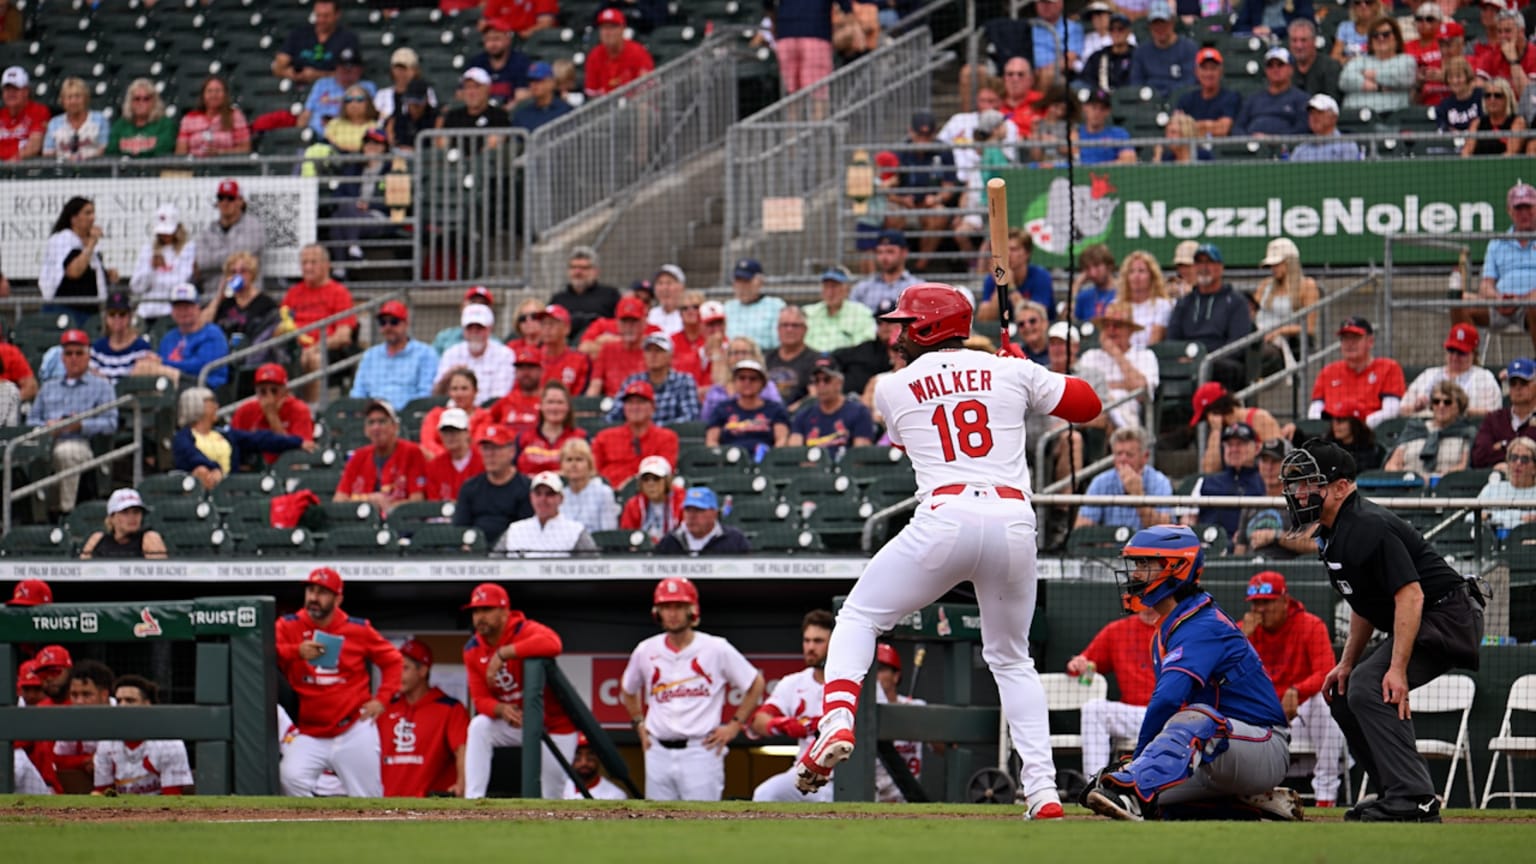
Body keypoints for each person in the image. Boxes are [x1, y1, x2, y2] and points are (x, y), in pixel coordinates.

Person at [795, 283, 1101, 819]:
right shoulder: (1009, 369)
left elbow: (909, 439)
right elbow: (1088, 405)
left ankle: (837, 719)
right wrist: (1024, 368)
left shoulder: (891, 387)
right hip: (1012, 522)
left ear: (929, 328)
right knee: (1013, 660)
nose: (896, 335)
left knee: (860, 616)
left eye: (905, 325)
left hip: (946, 518)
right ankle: (1043, 792)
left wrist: (1005, 373)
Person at [1282, 440, 1485, 822]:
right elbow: (1364, 604)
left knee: (1370, 685)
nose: (1300, 492)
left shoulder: (1367, 525)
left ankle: (1415, 798)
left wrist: (1397, 669)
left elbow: (1410, 595)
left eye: (1309, 483)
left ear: (1340, 487)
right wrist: (1346, 663)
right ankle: (1394, 793)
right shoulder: (1334, 532)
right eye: (1297, 484)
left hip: (1447, 617)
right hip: (1425, 617)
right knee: (1344, 691)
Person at [1082, 526, 1298, 822]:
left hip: (1263, 744)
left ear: (1176, 568)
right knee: (1154, 802)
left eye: (1144, 563)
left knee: (1190, 722)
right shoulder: (1168, 628)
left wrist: (1139, 763)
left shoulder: (1202, 624)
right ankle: (1258, 803)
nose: (1135, 573)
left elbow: (1168, 700)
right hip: (1219, 750)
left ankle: (1135, 788)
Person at [621, 578, 765, 801]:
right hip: (657, 750)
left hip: (701, 750)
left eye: (679, 606)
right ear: (657, 611)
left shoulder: (716, 647)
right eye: (666, 607)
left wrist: (735, 725)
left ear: (692, 610)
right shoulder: (646, 649)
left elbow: (755, 683)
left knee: (702, 818)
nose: (672, 613)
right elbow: (628, 689)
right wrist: (639, 723)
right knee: (657, 818)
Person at [275, 568, 401, 797]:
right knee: (291, 777)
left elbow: (393, 661)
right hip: (310, 731)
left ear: (338, 599)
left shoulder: (358, 629)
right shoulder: (288, 625)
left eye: (323, 592)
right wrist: (296, 651)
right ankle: (314, 820)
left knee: (368, 796)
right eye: (311, 590)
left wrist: (382, 699)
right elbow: (265, 654)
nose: (314, 597)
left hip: (353, 727)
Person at [461, 582, 579, 798]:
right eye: (475, 611)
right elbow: (480, 698)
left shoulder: (523, 629)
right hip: (518, 722)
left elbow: (553, 643)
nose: (480, 617)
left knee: (551, 795)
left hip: (554, 725)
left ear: (505, 611)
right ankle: (473, 799)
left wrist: (503, 653)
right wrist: (500, 709)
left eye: (487, 609)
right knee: (479, 726)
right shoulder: (472, 649)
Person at [1240, 570, 1347, 808]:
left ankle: (1326, 796)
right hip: (1260, 722)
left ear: (1285, 601)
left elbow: (1325, 672)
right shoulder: (1241, 634)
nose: (1260, 610)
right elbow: (1222, 673)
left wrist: (1297, 690)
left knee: (1323, 703)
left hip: (1301, 720)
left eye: (1267, 602)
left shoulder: (1310, 625)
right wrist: (1242, 639)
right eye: (1255, 603)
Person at [1064, 605, 1160, 781]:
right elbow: (1088, 669)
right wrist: (1078, 666)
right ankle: (1095, 784)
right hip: (1135, 716)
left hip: (1174, 716)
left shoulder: (1178, 628)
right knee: (1093, 709)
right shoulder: (1117, 631)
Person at [750, 610, 836, 802]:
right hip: (805, 775)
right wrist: (783, 724)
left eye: (818, 641)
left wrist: (817, 724)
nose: (810, 647)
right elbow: (759, 721)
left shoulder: (854, 682)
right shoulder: (794, 682)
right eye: (807, 641)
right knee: (766, 794)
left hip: (848, 777)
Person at [29, 329, 117, 515]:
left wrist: (81, 425)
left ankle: (66, 512)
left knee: (67, 452)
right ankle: (36, 514)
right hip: (48, 441)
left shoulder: (102, 386)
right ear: (62, 357)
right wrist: (47, 427)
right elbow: (31, 421)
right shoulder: (48, 387)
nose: (73, 358)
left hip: (82, 442)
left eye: (79, 353)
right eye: (69, 353)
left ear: (88, 356)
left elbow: (111, 422)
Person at [378, 639, 469, 798]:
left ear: (423, 671)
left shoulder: (450, 708)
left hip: (430, 804)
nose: (397, 674)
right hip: (385, 802)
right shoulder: (385, 709)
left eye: (405, 668)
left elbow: (463, 750)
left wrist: (462, 784)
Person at [173, 386, 308, 487]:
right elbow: (192, 455)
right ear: (196, 405)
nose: (216, 406)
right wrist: (213, 467)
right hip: (197, 486)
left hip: (230, 486)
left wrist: (297, 442)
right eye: (211, 402)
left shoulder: (225, 434)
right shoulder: (183, 437)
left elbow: (259, 439)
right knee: (201, 471)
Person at [1458, 180, 1536, 351]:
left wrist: (1521, 300)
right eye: (1519, 208)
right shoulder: (1497, 243)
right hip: (1500, 305)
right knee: (1460, 301)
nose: (1524, 213)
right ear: (1510, 211)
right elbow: (1486, 284)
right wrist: (1498, 298)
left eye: (1528, 208)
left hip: (1531, 305)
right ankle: (1469, 360)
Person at [1166, 243, 1252, 392]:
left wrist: (1203, 358)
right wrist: (1184, 356)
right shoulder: (1184, 303)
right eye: (1199, 263)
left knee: (1226, 368)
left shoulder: (1236, 302)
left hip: (1220, 363)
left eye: (1209, 262)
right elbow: (1172, 339)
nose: (1203, 267)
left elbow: (1237, 345)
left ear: (1220, 267)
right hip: (1187, 360)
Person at [91, 675, 194, 795]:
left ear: (147, 704)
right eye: (119, 701)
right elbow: (103, 792)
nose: (122, 706)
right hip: (119, 806)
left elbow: (172, 797)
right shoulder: (106, 742)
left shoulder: (170, 743)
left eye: (130, 701)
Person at [282, 245, 358, 401]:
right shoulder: (293, 293)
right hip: (293, 348)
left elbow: (343, 335)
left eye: (313, 262)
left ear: (327, 265)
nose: (308, 267)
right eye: (304, 263)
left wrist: (315, 347)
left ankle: (313, 408)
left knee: (313, 358)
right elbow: (282, 324)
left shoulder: (339, 293)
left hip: (327, 350)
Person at [1307, 316, 1405, 428]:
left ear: (1370, 341)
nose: (1349, 343)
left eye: (1355, 338)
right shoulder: (1328, 371)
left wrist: (1357, 428)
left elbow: (1391, 410)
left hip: (1371, 432)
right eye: (1345, 339)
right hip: (1332, 433)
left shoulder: (1388, 368)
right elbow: (1314, 412)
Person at [335, 400, 428, 517]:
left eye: (382, 421)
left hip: (400, 521)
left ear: (395, 427)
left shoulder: (411, 452)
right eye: (371, 422)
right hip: (363, 521)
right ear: (366, 430)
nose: (376, 427)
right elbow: (339, 499)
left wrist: (388, 506)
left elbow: (417, 501)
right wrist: (368, 501)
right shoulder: (359, 456)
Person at [1077, 302, 1158, 430]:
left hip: (1126, 416)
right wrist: (1123, 385)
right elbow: (1081, 392)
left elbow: (1142, 393)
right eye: (1106, 325)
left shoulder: (1145, 355)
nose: (1111, 330)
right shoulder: (1090, 356)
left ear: (1130, 330)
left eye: (1117, 325)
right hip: (1093, 415)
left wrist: (1115, 353)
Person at [1233, 438, 1319, 558]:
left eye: (1275, 461)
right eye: (1264, 461)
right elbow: (1239, 552)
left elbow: (1315, 544)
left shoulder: (1302, 500)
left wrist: (1276, 536)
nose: (1269, 467)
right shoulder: (1251, 504)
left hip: (1288, 568)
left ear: (1290, 466)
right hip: (1252, 567)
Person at [132, 284, 229, 389]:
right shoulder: (169, 337)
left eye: (187, 307)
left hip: (206, 386)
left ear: (198, 308)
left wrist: (162, 364)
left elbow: (201, 366)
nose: (183, 312)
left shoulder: (212, 333)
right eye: (178, 307)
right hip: (172, 385)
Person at [1074, 427, 1173, 530]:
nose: (1123, 460)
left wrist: (1138, 496)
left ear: (1145, 457)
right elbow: (1081, 530)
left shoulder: (1160, 482)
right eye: (1119, 454)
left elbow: (1163, 531)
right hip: (1111, 540)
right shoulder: (1100, 482)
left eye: (1129, 455)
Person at [351, 301, 441, 409]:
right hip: (372, 413)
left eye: (394, 322)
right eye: (383, 322)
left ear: (406, 324)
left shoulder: (425, 353)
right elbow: (358, 392)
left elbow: (425, 394)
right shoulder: (370, 356)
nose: (388, 327)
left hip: (408, 414)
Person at [592, 381, 681, 487]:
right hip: (610, 492)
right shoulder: (605, 437)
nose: (635, 407)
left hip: (650, 492)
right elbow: (593, 472)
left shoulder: (667, 438)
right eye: (630, 402)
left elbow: (665, 474)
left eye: (640, 402)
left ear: (653, 407)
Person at [453, 424, 534, 541]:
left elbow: (526, 531)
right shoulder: (470, 487)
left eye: (496, 448)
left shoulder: (526, 488)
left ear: (511, 451)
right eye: (486, 448)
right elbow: (460, 528)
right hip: (475, 548)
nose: (490, 454)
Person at [1402, 325, 1501, 417]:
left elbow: (1495, 415)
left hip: (1468, 428)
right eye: (1451, 350)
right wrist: (1416, 408)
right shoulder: (1428, 375)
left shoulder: (1485, 378)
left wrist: (1461, 411)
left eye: (1461, 352)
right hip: (1426, 427)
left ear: (1474, 353)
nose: (1454, 357)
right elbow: (1402, 409)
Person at [1252, 237, 1321, 369]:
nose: (1273, 268)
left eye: (1277, 264)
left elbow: (1309, 327)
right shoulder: (1265, 285)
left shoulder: (1307, 286)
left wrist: (1278, 331)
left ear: (1290, 262)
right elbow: (1251, 312)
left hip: (1284, 341)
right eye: (1271, 265)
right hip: (1259, 336)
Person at [1187, 422, 1265, 537]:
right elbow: (1188, 521)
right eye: (1229, 444)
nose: (1234, 449)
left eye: (1240, 444)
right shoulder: (1205, 483)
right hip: (1210, 544)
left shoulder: (1265, 482)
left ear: (1257, 448)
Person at [493, 471, 598, 556]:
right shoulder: (515, 530)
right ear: (531, 497)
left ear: (561, 498)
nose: (543, 499)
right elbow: (494, 564)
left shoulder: (575, 531)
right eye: (538, 493)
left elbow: (593, 566)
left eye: (550, 494)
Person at [39, 197, 113, 317]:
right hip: (66, 309)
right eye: (87, 213)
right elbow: (73, 272)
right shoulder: (63, 240)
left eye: (93, 213)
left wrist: (106, 274)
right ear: (74, 218)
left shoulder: (87, 243)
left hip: (89, 310)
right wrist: (91, 243)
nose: (93, 218)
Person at [1191, 382, 1288, 473]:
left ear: (1215, 410)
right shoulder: (1218, 431)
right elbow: (1209, 471)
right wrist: (1216, 431)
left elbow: (1279, 460)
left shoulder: (1259, 418)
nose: (1208, 421)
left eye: (1206, 417)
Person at [605, 334, 699, 426]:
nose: (653, 355)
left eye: (659, 350)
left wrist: (653, 430)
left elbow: (691, 417)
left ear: (670, 356)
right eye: (648, 350)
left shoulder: (684, 381)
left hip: (673, 434)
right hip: (634, 434)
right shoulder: (633, 381)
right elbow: (613, 416)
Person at [230, 364, 315, 465]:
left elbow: (301, 453)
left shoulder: (299, 409)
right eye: (263, 391)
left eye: (274, 391)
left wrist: (272, 416)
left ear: (285, 391)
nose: (269, 397)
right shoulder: (245, 411)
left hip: (287, 468)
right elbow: (232, 443)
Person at [788, 356, 876, 453]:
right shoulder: (803, 416)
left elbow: (861, 454)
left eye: (827, 379)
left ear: (839, 382)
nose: (821, 385)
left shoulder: (859, 413)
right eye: (817, 380)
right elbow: (794, 454)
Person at [194, 180, 266, 296]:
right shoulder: (208, 231)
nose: (225, 202)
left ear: (241, 201)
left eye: (230, 198)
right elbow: (201, 262)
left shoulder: (254, 226)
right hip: (213, 296)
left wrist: (212, 258)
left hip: (246, 296)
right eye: (221, 198)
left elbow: (239, 257)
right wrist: (232, 256)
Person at [200, 251, 278, 352]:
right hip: (223, 353)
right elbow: (201, 326)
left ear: (252, 274)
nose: (238, 275)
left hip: (251, 353)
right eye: (233, 272)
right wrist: (219, 296)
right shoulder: (225, 303)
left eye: (243, 271)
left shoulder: (266, 303)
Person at [705, 360, 791, 451]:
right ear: (734, 382)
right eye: (742, 378)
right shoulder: (722, 409)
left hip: (764, 456)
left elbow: (782, 440)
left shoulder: (775, 409)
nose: (747, 382)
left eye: (753, 378)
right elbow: (711, 441)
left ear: (762, 383)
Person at [1340, 16, 1417, 115]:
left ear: (1397, 38)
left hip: (1392, 116)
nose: (1380, 38)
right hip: (1356, 116)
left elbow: (1402, 78)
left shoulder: (1406, 60)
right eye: (1375, 35)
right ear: (1370, 41)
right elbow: (1344, 80)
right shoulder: (1358, 60)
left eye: (1386, 34)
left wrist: (1370, 74)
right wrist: (1378, 87)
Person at [272, 0, 361, 84]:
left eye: (326, 16)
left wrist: (317, 75)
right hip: (296, 86)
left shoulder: (348, 38)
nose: (321, 20)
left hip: (332, 88)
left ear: (337, 15)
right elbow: (278, 66)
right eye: (318, 15)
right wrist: (292, 74)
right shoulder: (299, 34)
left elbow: (351, 74)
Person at [1233, 47, 1310, 138]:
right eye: (1270, 65)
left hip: (1285, 145)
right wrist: (1250, 138)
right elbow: (1238, 128)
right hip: (1252, 144)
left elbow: (1302, 129)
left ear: (1291, 69)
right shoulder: (1253, 99)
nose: (1275, 69)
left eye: (1280, 65)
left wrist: (1273, 139)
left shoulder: (1301, 99)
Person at [1474, 357, 1536, 468]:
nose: (1518, 388)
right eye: (1513, 383)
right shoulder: (1493, 419)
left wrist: (1502, 445)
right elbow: (1479, 458)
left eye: (1524, 383)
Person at [297, 47, 374, 136]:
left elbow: (372, 115)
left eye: (350, 69)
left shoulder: (367, 87)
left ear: (360, 70)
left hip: (351, 136)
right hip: (318, 136)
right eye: (343, 68)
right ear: (336, 68)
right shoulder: (322, 84)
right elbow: (306, 113)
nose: (346, 72)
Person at [419, 368, 493, 461]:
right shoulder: (436, 415)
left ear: (475, 391)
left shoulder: (484, 417)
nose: (459, 394)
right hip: (438, 462)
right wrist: (447, 460)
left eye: (464, 388)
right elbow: (427, 442)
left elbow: (478, 446)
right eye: (454, 389)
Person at [654, 487, 752, 555]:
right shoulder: (670, 540)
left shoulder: (734, 540)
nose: (691, 516)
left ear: (714, 513)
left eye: (698, 510)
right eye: (688, 510)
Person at [550, 247, 621, 340]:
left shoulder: (610, 295)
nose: (577, 272)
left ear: (596, 271)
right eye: (573, 267)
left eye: (584, 268)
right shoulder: (558, 299)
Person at [514, 382, 585, 476]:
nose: (554, 408)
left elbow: (588, 471)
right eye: (550, 402)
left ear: (568, 407)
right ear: (541, 406)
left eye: (560, 402)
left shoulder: (580, 437)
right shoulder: (523, 438)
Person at [585, 7, 656, 97]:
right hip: (607, 104)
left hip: (634, 102)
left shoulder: (638, 52)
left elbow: (649, 89)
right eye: (604, 28)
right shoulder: (594, 55)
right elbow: (592, 93)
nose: (608, 33)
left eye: (612, 27)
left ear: (622, 29)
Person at [1130, 1, 1197, 97]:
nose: (1159, 28)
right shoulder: (1141, 51)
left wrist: (1166, 94)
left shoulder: (1188, 48)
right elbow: (1136, 83)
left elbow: (1189, 82)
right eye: (1155, 23)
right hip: (1148, 100)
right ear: (1149, 26)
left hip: (1179, 100)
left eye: (1163, 23)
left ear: (1172, 23)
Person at [78, 489, 168, 560]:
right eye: (125, 512)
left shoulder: (150, 538)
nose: (132, 517)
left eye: (136, 512)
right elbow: (82, 571)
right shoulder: (97, 539)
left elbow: (160, 574)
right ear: (112, 517)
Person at [1174, 48, 1241, 141]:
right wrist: (1211, 126)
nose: (1209, 73)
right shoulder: (1186, 99)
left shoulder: (1231, 97)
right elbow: (1177, 130)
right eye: (1204, 68)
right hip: (1192, 148)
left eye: (1213, 68)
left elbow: (1223, 129)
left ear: (1221, 71)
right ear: (1196, 72)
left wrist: (1192, 127)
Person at [803, 268, 876, 353]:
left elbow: (865, 346)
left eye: (834, 287)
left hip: (846, 359)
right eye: (826, 287)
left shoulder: (862, 313)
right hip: (811, 359)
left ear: (847, 289)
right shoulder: (808, 313)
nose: (830, 292)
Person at [175, 76, 251, 157]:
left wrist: (220, 152)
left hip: (226, 163)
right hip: (194, 163)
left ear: (225, 94)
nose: (214, 95)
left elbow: (245, 149)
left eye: (218, 91)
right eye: (209, 91)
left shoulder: (235, 116)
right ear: (203, 95)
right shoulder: (189, 118)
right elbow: (180, 152)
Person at [435, 68, 512, 148]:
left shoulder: (498, 115)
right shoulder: (454, 116)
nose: (471, 93)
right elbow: (442, 144)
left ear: (488, 88)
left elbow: (494, 144)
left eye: (476, 87)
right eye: (467, 87)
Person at [619, 454, 686, 542]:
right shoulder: (633, 505)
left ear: (667, 481)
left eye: (656, 478)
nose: (651, 484)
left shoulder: (682, 501)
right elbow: (626, 536)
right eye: (646, 479)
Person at [558, 438, 620, 533]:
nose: (573, 465)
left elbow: (609, 533)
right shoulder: (559, 495)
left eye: (579, 459)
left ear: (589, 464)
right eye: (569, 460)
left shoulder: (603, 493)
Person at [89, 291, 153, 383]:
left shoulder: (141, 347)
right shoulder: (98, 348)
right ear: (106, 317)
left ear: (130, 317)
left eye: (122, 314)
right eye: (112, 314)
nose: (117, 318)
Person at [725, 258, 788, 350]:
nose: (741, 286)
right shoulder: (727, 308)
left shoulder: (775, 306)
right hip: (731, 354)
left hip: (764, 355)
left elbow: (779, 344)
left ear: (760, 282)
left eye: (746, 281)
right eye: (738, 280)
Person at [423, 408, 484, 502]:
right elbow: (433, 504)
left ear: (467, 433)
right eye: (445, 432)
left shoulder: (483, 463)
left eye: (455, 431)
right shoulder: (434, 467)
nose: (450, 436)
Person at [765, 307, 820, 408]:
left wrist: (789, 411)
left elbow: (814, 396)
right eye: (785, 325)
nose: (789, 329)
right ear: (778, 329)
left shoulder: (816, 360)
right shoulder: (766, 358)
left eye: (795, 325)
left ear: (805, 329)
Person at [1479, 435, 1536, 530]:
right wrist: (1519, 519)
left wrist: (1490, 517)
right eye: (1513, 458)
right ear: (1508, 462)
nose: (1518, 463)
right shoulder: (1492, 488)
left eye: (1524, 459)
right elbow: (1469, 517)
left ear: (1534, 468)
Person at [42, 77, 106, 161]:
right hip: (62, 167)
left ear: (86, 99)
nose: (73, 101)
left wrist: (81, 159)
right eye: (69, 97)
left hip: (93, 167)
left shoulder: (100, 120)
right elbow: (47, 153)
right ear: (63, 101)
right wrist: (66, 159)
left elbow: (104, 149)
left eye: (77, 96)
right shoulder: (54, 123)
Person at [1118, 251, 1171, 349]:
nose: (1136, 276)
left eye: (1141, 271)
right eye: (1131, 271)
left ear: (1152, 276)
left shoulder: (1162, 305)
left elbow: (1154, 342)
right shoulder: (1116, 305)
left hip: (1147, 355)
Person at [467, 24, 530, 106]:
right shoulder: (477, 63)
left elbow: (522, 97)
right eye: (488, 39)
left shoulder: (520, 62)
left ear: (508, 40)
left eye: (496, 39)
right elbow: (462, 94)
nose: (492, 44)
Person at [1321, 399, 1386, 472]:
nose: (1335, 424)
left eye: (1340, 419)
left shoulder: (1375, 452)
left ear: (1355, 423)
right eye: (1333, 419)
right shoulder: (1326, 449)